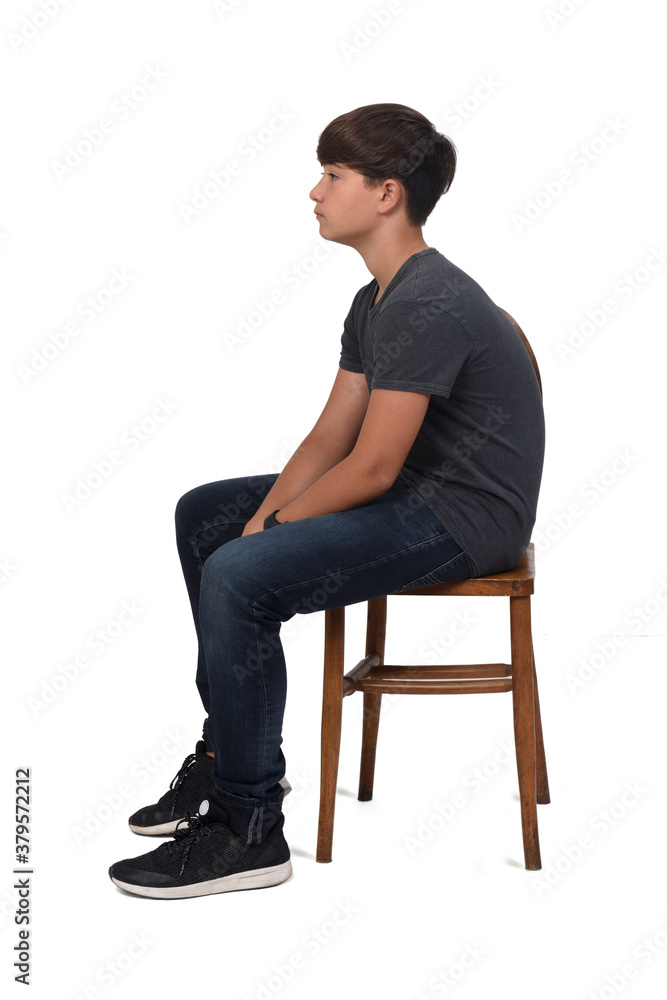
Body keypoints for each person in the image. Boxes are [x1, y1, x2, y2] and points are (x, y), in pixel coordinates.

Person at [108, 102, 545, 899]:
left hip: (463, 515)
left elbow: (373, 468)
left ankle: (248, 828)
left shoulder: (426, 300)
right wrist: (259, 517)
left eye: (332, 176)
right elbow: (328, 442)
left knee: (240, 575)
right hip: (417, 489)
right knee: (203, 515)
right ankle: (227, 757)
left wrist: (269, 532)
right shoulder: (375, 299)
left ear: (385, 194)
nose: (314, 192)